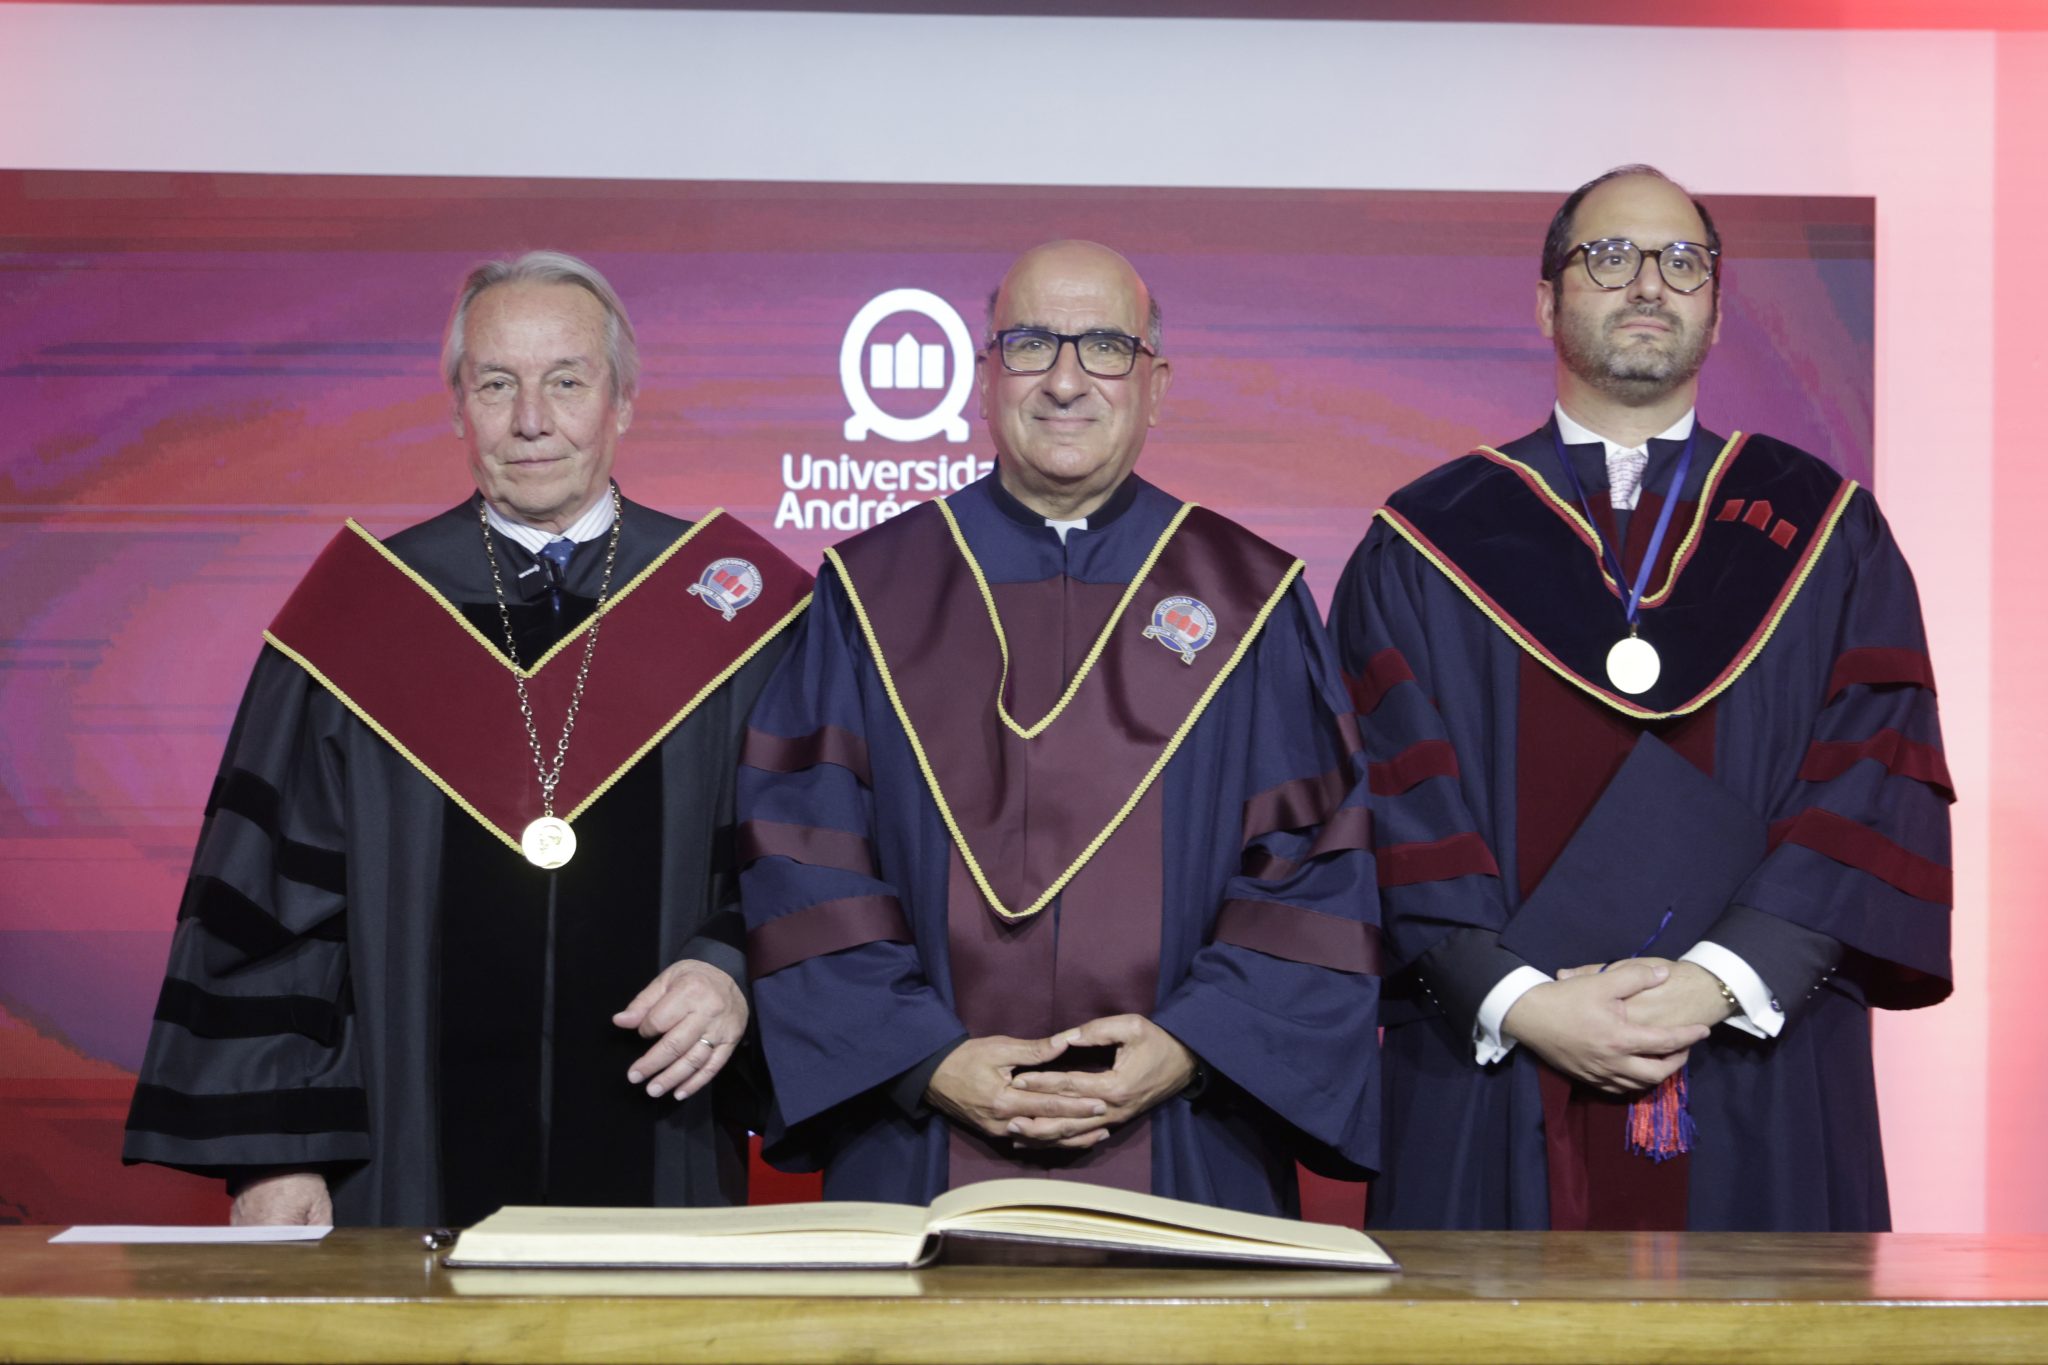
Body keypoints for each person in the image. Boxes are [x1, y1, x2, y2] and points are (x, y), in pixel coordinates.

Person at [123, 251, 810, 1226]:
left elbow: (812, 858)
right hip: (400, 1170)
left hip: (661, 1151)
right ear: (456, 405)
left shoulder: (738, 613)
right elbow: (272, 911)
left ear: (621, 401)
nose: (532, 419)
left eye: (566, 381)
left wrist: (734, 968)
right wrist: (272, 1154)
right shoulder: (356, 627)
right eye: (497, 384)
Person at [1331, 166, 1953, 1231]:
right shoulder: (1425, 542)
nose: (1647, 285)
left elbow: (1870, 778)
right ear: (1544, 301)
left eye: (1682, 262)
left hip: (1754, 1051)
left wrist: (1720, 978)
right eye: (1608, 257)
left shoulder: (1823, 533)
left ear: (1715, 311)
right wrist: (1520, 999)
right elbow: (1385, 801)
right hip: (1494, 1069)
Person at [738, 241, 1380, 1212]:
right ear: (984, 376)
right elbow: (803, 858)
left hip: (1186, 1132)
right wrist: (924, 1059)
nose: (1066, 380)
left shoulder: (1249, 601)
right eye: (1031, 344)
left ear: (1155, 386)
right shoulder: (871, 594)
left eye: (1105, 347)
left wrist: (1191, 1044)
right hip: (919, 1136)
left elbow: (1316, 868)